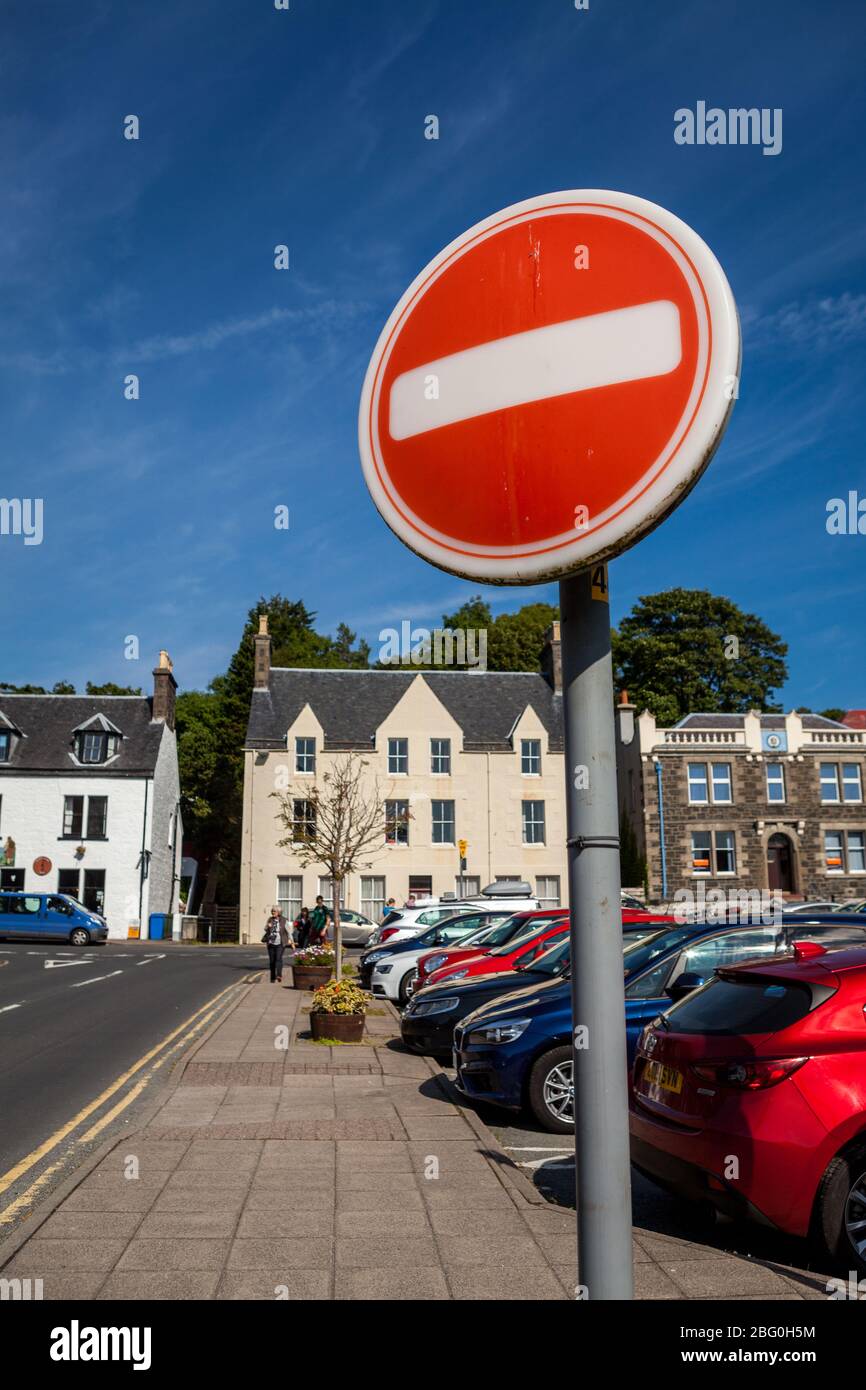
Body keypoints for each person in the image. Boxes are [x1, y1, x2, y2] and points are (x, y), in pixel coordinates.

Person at [262, 905, 290, 983]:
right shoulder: (270, 919)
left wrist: (292, 942)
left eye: (274, 911)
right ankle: (272, 977)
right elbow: (265, 929)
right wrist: (268, 926)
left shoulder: (284, 920)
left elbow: (288, 931)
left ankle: (279, 975)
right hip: (271, 943)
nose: (272, 912)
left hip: (280, 943)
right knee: (272, 961)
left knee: (278, 958)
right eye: (272, 911)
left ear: (278, 912)